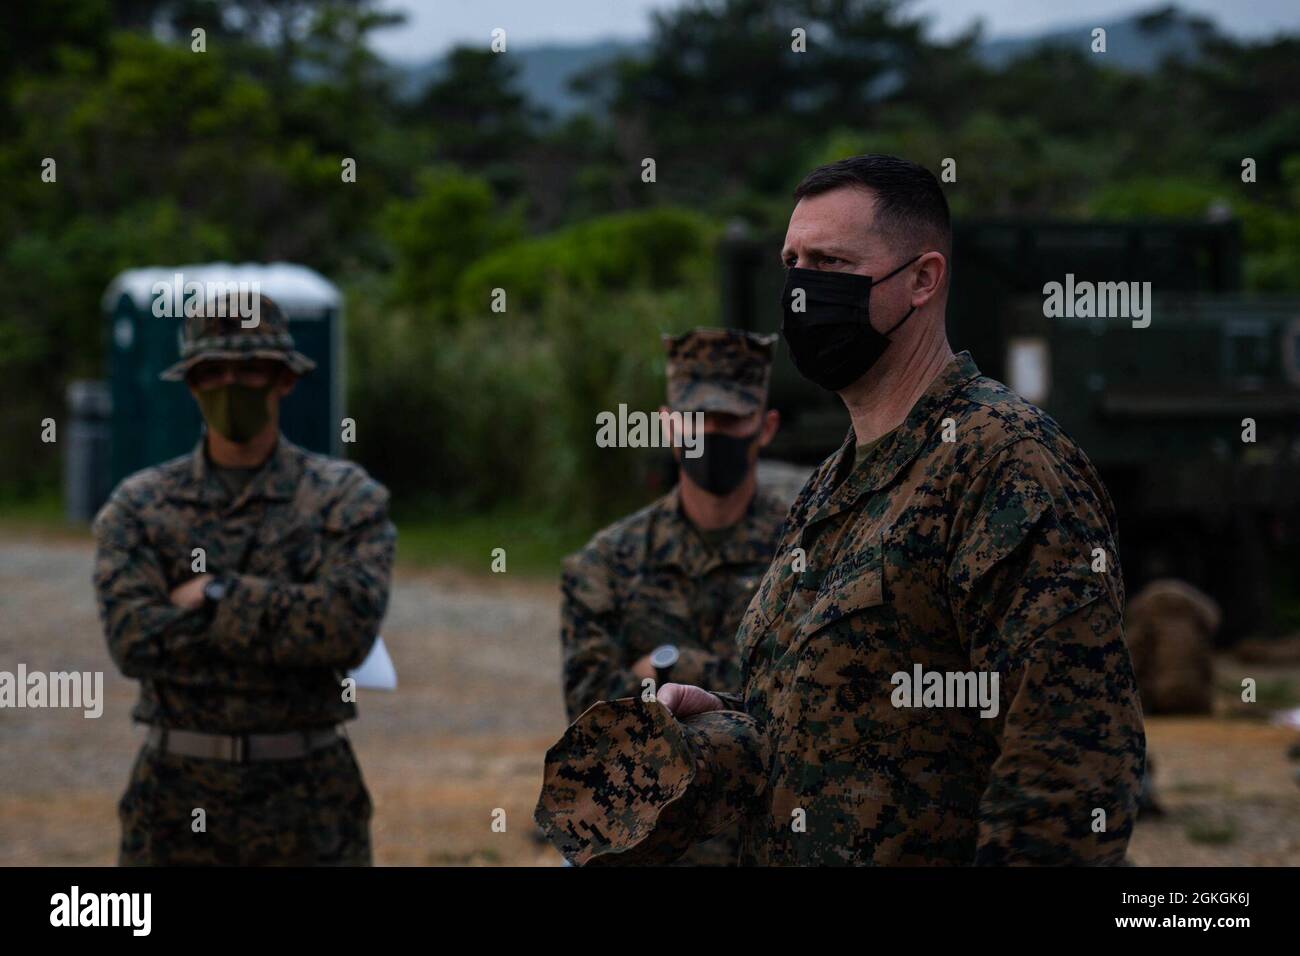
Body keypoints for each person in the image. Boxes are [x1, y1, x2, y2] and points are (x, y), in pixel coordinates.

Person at [652, 155, 1146, 865]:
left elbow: (1068, 768)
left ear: (922, 280)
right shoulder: (833, 483)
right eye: (792, 262)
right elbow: (852, 720)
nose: (800, 290)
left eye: (829, 262)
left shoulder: (1006, 464)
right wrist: (730, 720)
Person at [93, 292, 395, 866]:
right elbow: (135, 641)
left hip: (308, 804)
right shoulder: (140, 506)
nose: (232, 385)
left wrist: (215, 594)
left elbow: (345, 629)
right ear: (191, 384)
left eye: (251, 369)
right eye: (214, 371)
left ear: (283, 379)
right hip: (175, 803)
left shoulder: (344, 499)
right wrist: (287, 618)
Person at [559, 327, 786, 865]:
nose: (710, 434)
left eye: (730, 420)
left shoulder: (806, 549)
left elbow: (808, 703)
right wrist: (739, 685)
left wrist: (669, 670)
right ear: (666, 424)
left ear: (766, 427)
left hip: (767, 843)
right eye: (694, 419)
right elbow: (592, 717)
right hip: (650, 848)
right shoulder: (605, 563)